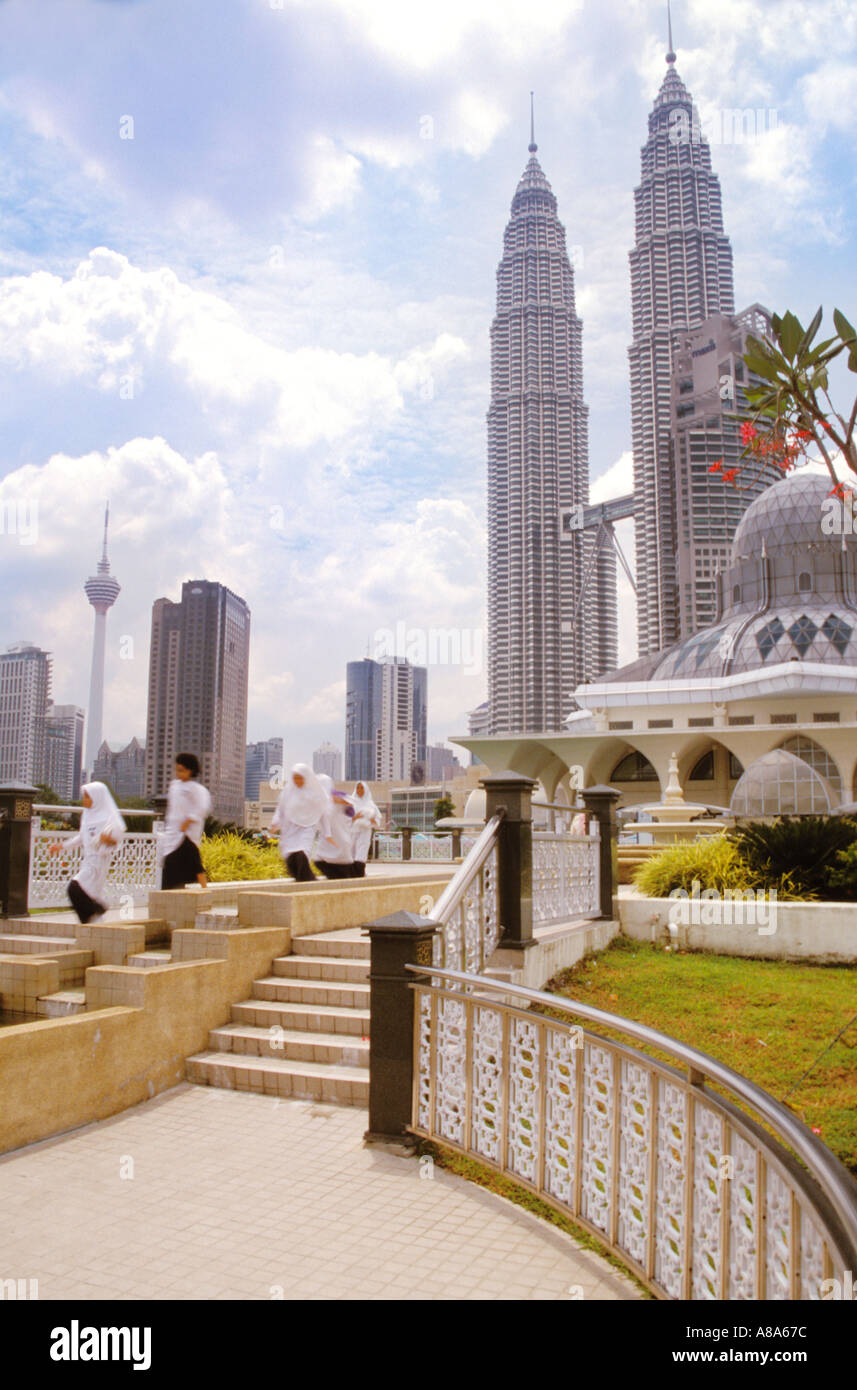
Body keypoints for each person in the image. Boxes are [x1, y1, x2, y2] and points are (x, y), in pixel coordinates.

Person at [49, 781, 126, 924]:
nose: (84, 800)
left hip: (99, 863)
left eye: (87, 797)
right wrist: (61, 846)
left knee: (74, 888)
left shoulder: (108, 817)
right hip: (88, 861)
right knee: (89, 896)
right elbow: (81, 837)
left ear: (97, 797)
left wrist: (107, 840)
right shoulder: (87, 815)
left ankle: (97, 909)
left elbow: (117, 841)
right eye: (84, 796)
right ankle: (95, 918)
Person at [159, 753, 212, 890]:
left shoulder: (197, 789)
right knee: (171, 864)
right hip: (173, 831)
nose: (179, 773)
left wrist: (189, 821)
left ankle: (205, 891)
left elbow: (202, 807)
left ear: (191, 770)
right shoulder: (174, 786)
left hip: (186, 833)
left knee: (195, 863)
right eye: (177, 770)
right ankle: (173, 891)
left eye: (182, 770)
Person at [271, 763, 328, 882]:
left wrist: (327, 831)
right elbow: (280, 809)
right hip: (290, 828)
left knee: (303, 851)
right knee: (291, 852)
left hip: (307, 827)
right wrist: (275, 823)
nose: (297, 781)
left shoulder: (314, 792)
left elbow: (323, 807)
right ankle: (297, 875)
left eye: (300, 778)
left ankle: (306, 877)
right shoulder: (288, 792)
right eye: (295, 778)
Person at [313, 774, 358, 880]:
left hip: (340, 837)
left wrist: (339, 800)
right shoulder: (317, 800)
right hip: (326, 840)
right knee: (319, 861)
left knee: (341, 868)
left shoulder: (338, 795)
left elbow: (352, 803)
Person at [347, 781, 382, 877]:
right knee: (351, 852)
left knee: (362, 851)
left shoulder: (371, 804)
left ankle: (359, 872)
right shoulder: (351, 803)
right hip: (353, 831)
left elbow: (378, 820)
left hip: (365, 831)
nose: (359, 790)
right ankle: (351, 873)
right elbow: (345, 818)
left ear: (366, 789)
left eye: (362, 788)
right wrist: (355, 817)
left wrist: (372, 819)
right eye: (358, 788)